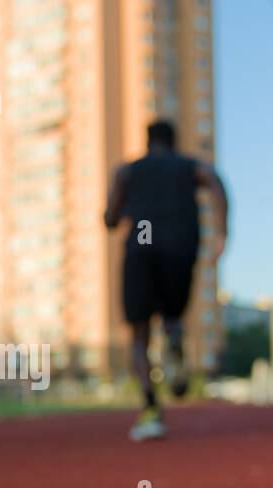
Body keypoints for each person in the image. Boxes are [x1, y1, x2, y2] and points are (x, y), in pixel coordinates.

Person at [104, 119, 229, 442]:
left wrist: (115, 212)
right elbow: (216, 184)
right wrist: (222, 232)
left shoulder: (128, 171)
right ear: (173, 143)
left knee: (139, 334)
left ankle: (150, 407)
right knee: (172, 313)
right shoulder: (190, 166)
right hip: (181, 248)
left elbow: (110, 217)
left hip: (141, 251)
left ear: (147, 143)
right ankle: (173, 336)